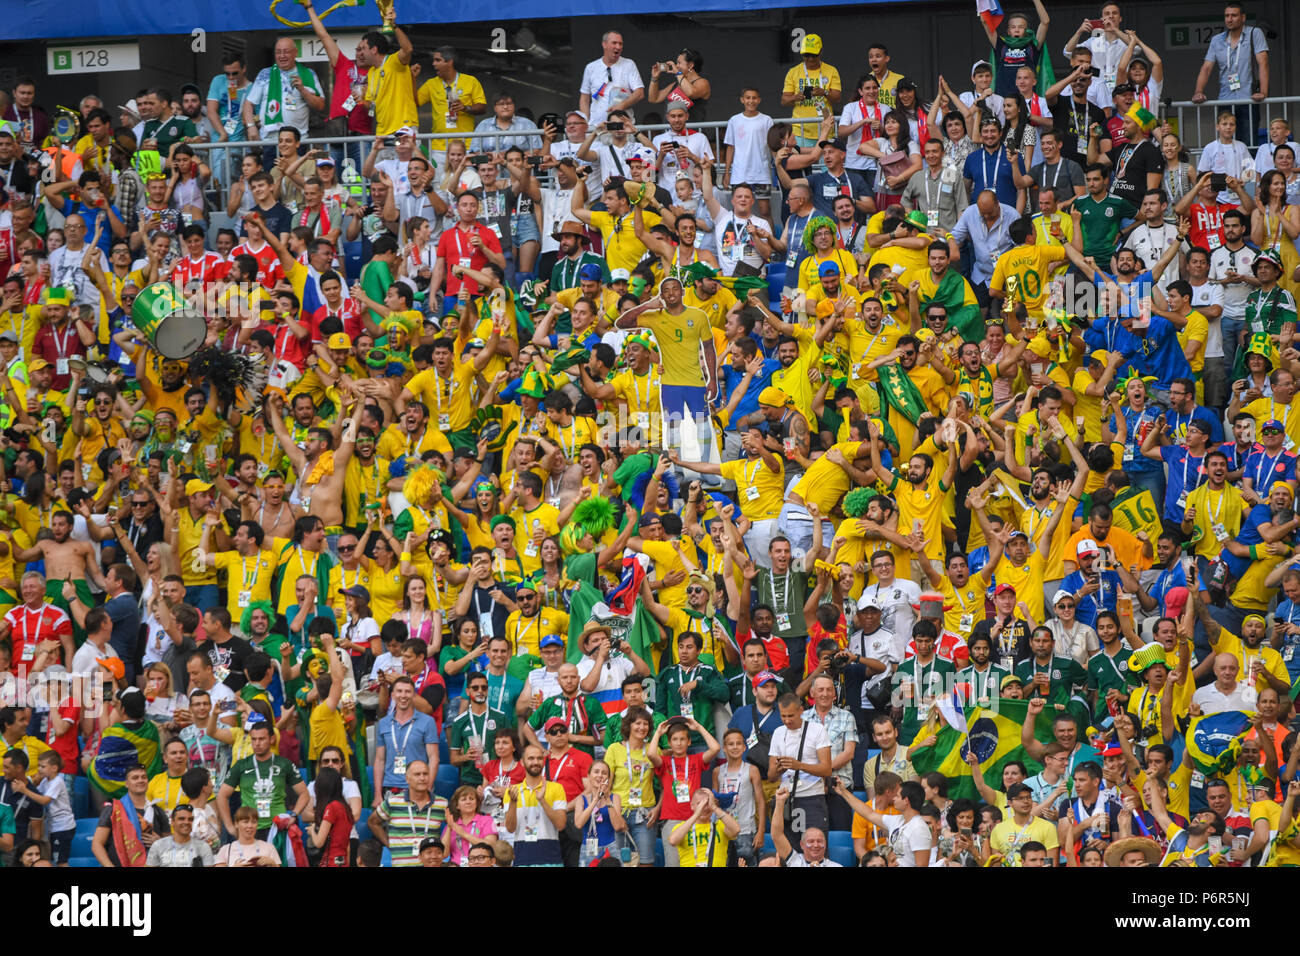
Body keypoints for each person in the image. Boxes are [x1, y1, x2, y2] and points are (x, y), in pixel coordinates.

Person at [1192, 2, 1270, 145]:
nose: (1230, 19)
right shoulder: (1217, 40)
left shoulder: (1254, 33)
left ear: (1243, 17)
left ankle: (1247, 168)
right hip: (1225, 100)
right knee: (1225, 143)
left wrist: (1263, 92)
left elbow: (1263, 63)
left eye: (1234, 15)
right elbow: (1206, 68)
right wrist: (1198, 91)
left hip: (1249, 99)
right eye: (1227, 16)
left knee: (1248, 144)